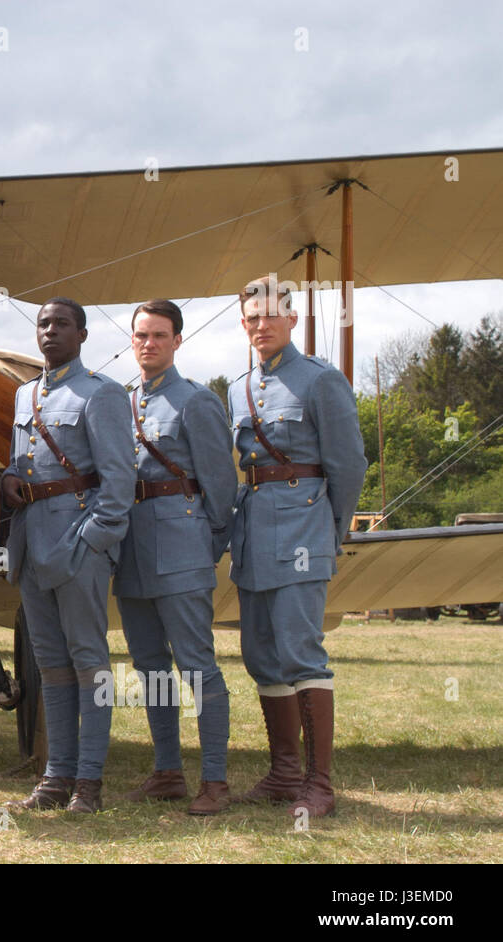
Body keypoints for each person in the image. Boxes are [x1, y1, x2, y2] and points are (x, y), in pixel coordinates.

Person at [228, 275, 366, 819]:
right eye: (252, 318)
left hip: (304, 528)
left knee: (301, 652)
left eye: (270, 316)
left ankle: (318, 783)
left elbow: (348, 464)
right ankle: (284, 774)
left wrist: (331, 530)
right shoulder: (238, 388)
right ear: (243, 325)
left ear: (291, 320)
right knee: (262, 654)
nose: (261, 325)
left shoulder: (320, 381)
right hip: (255, 531)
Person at [1, 297, 133, 814]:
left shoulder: (102, 394)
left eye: (62, 324)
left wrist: (95, 538)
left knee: (89, 663)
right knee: (51, 665)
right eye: (43, 323)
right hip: (32, 543)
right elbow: (20, 462)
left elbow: (119, 479)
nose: (50, 331)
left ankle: (90, 785)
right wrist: (11, 478)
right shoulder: (24, 394)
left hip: (78, 544)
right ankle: (56, 779)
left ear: (81, 335)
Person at [114, 299, 238, 815]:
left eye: (159, 335)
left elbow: (221, 488)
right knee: (149, 666)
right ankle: (167, 771)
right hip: (132, 550)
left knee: (196, 666)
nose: (149, 343)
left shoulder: (198, 402)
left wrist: (203, 551)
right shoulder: (121, 402)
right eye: (141, 335)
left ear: (177, 341)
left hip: (182, 547)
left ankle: (215, 780)